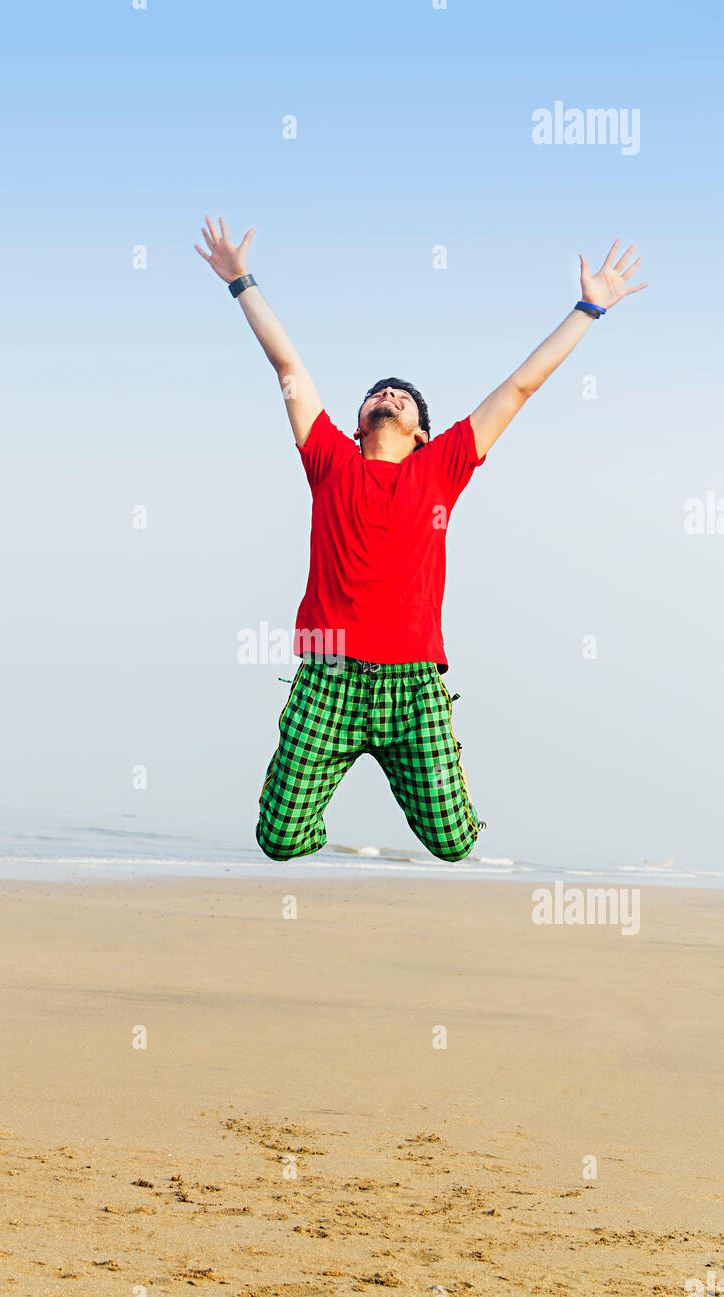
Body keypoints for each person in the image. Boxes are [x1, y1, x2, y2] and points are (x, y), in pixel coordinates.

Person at [195, 218, 647, 863]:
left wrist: (589, 307)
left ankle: (420, 792)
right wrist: (240, 280)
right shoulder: (329, 461)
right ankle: (325, 807)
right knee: (279, 841)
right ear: (355, 427)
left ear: (421, 434)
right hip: (328, 678)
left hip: (414, 684)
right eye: (379, 394)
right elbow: (287, 364)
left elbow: (521, 385)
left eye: (402, 398)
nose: (388, 396)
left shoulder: (442, 467)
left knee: (453, 843)